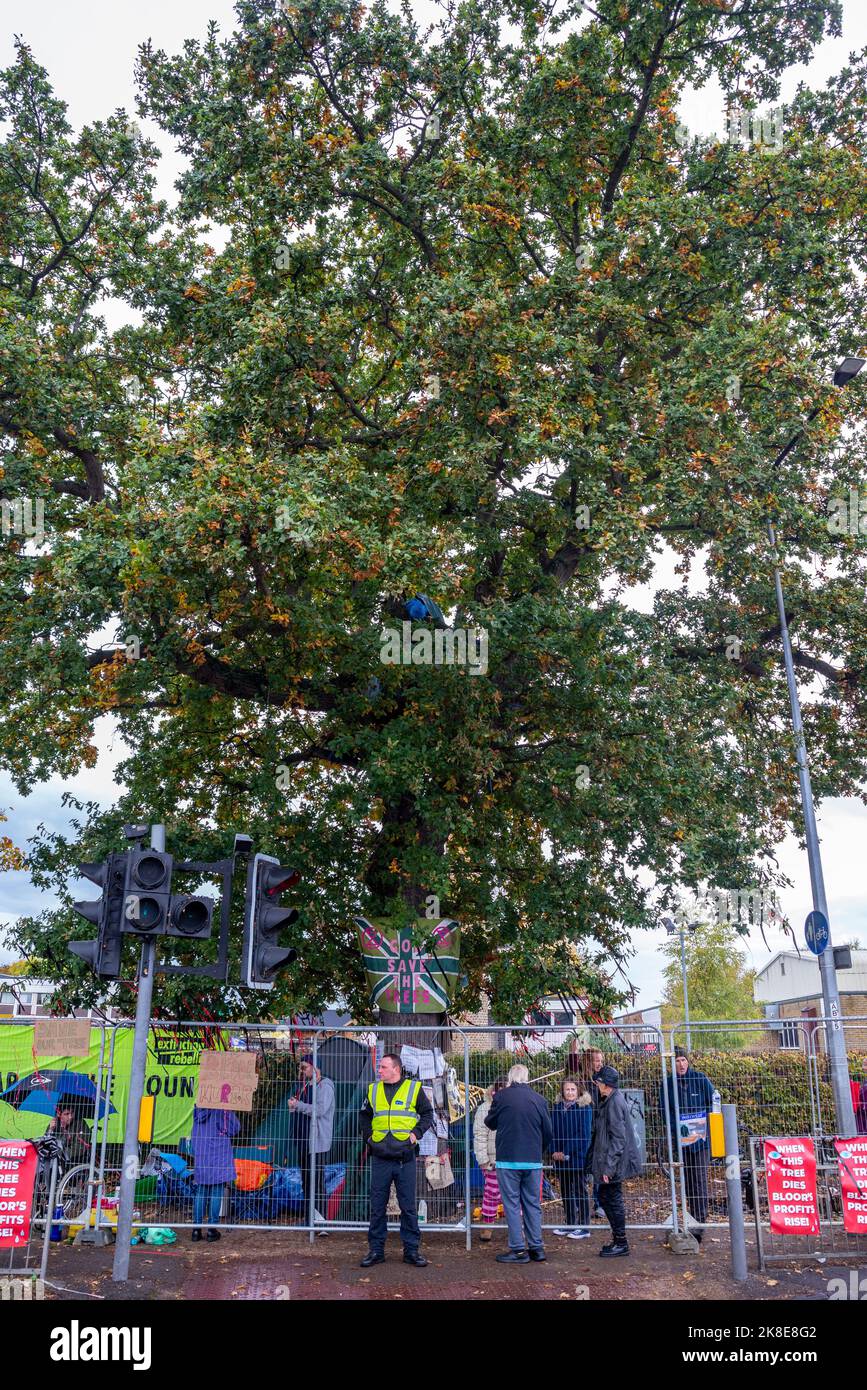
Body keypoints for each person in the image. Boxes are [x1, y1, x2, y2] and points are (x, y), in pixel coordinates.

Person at [359, 1052, 434, 1268]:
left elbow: (428, 1114)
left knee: (408, 1207)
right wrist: (369, 1137)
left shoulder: (414, 1088)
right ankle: (376, 1251)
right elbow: (364, 1115)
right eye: (379, 1067)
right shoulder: (373, 1090)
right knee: (377, 1206)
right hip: (380, 1157)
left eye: (383, 1067)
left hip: (405, 1158)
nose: (379, 1070)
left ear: (396, 1069)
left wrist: (415, 1134)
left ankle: (411, 1251)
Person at [484, 1063, 553, 1263]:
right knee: (532, 1204)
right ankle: (537, 1248)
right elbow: (548, 1131)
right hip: (533, 1161)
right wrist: (537, 1151)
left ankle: (517, 1250)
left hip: (508, 1160)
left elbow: (490, 1122)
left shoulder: (501, 1097)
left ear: (510, 1078)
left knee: (512, 1205)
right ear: (527, 1077)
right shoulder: (539, 1100)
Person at [661, 1046, 716, 1242]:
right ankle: (691, 1219)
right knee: (688, 1182)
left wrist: (706, 1127)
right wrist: (675, 1131)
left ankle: (699, 1224)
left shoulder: (700, 1079)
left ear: (688, 1061)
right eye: (677, 1061)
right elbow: (664, 1111)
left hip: (701, 1141)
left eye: (683, 1060)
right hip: (682, 1142)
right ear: (672, 1064)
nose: (681, 1064)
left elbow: (714, 1102)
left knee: (700, 1180)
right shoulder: (668, 1084)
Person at [590, 1064, 641, 1258]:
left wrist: (609, 1167)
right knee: (606, 1197)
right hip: (610, 1162)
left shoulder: (613, 1103)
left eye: (599, 1081)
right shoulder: (611, 1100)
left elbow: (618, 1139)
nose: (596, 1084)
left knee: (612, 1198)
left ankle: (621, 1242)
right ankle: (618, 1239)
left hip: (613, 1164)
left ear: (605, 1084)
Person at [288, 1054, 335, 1234]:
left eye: (305, 1067)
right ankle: (310, 1220)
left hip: (316, 1143)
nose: (302, 1070)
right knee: (307, 1182)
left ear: (315, 1068)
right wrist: (293, 1107)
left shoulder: (325, 1086)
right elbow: (301, 1109)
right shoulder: (306, 1086)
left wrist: (298, 1105)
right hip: (303, 1141)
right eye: (301, 1067)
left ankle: (321, 1223)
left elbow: (320, 1110)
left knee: (316, 1181)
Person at [190, 1105, 240, 1242]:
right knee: (216, 1192)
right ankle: (212, 1229)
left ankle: (196, 1230)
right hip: (218, 1155)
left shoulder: (198, 1110)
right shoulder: (221, 1109)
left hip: (202, 1155)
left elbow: (193, 1134)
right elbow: (234, 1128)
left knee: (201, 1192)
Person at [551, 1078, 593, 1238]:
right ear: (562, 1091)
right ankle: (570, 1224)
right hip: (559, 1157)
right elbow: (551, 1131)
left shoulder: (584, 1108)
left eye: (572, 1090)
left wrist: (565, 1151)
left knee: (580, 1190)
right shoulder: (556, 1108)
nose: (569, 1092)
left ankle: (584, 1227)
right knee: (566, 1191)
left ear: (578, 1091)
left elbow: (583, 1135)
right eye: (567, 1089)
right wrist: (554, 1151)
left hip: (577, 1157)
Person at [473, 1076, 506, 1241]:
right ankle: (487, 1225)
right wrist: (483, 1160)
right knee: (491, 1193)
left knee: (515, 1195)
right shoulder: (484, 1109)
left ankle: (519, 1227)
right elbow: (479, 1136)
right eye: (501, 1089)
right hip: (492, 1161)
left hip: (512, 1160)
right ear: (494, 1091)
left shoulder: (513, 1107)